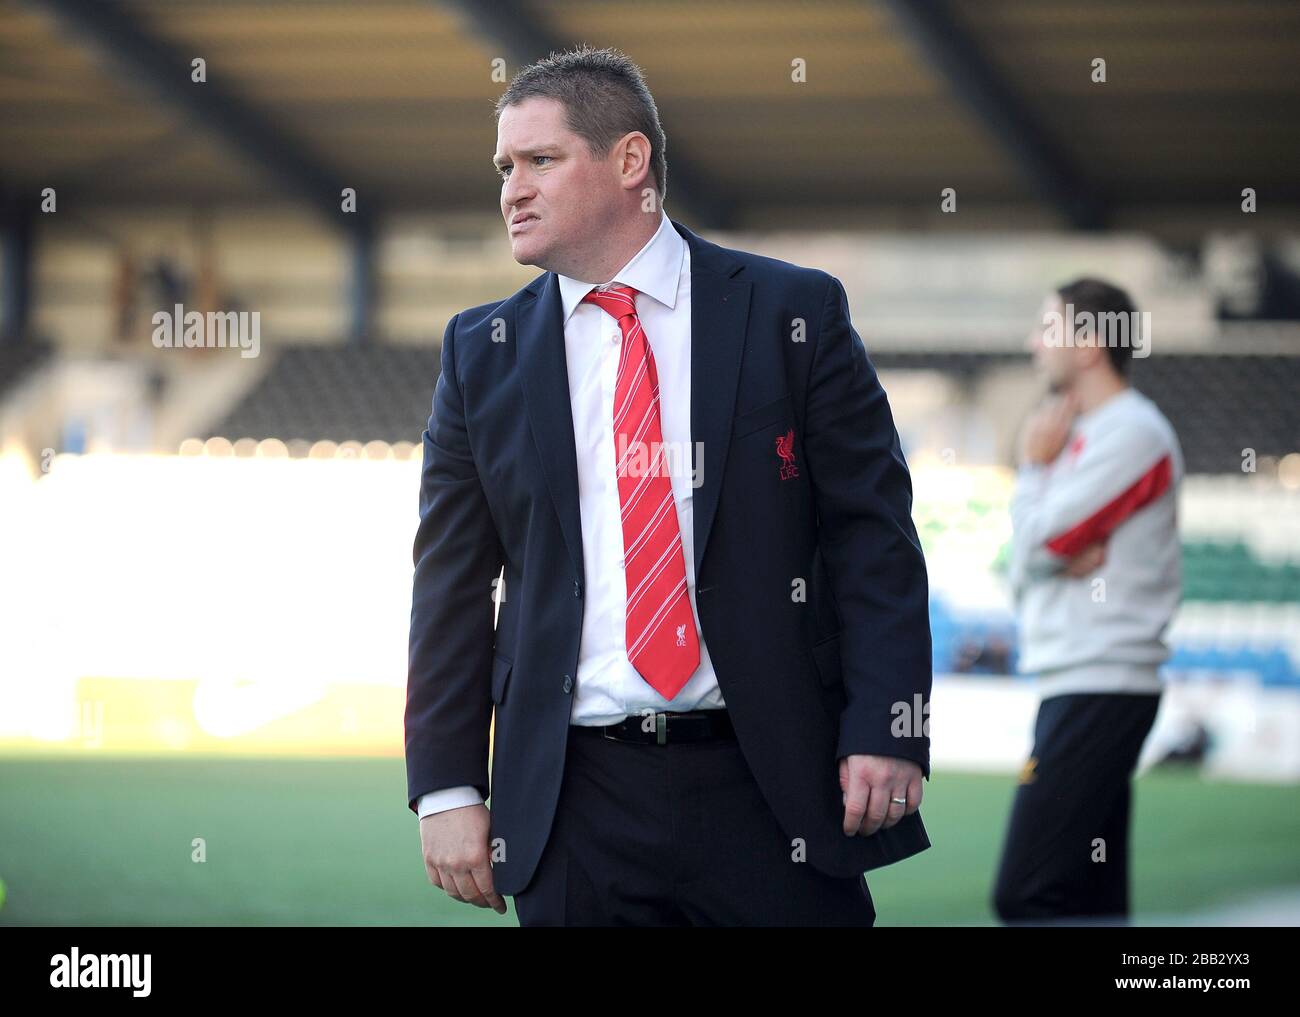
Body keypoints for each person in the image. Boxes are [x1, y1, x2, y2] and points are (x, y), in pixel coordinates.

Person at [405, 45, 932, 927]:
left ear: (629, 162)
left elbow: (871, 534)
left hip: (771, 784)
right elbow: (450, 582)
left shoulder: (791, 311)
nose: (510, 189)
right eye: (504, 167)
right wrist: (447, 784)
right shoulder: (478, 351)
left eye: (540, 160)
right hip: (575, 800)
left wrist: (889, 723)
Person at [993, 277, 1183, 924]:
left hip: (1101, 682)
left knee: (1025, 892)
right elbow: (1021, 565)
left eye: (1048, 328)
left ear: (1090, 343)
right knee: (1088, 893)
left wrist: (1034, 471)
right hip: (1083, 679)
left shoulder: (1132, 432)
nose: (1033, 342)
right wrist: (1043, 554)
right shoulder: (1082, 430)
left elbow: (1040, 544)